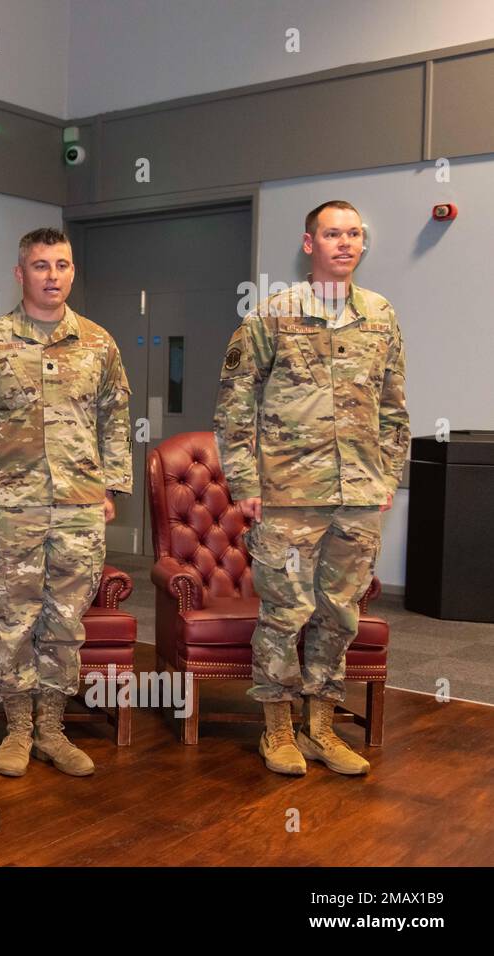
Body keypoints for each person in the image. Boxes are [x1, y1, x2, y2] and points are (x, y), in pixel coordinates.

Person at [214, 199, 408, 776]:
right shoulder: (270, 316)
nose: (344, 243)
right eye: (331, 234)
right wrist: (245, 481)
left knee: (340, 613)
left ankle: (320, 726)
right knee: (285, 611)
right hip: (288, 494)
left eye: (353, 234)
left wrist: (388, 476)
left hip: (359, 494)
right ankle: (277, 729)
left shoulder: (380, 315)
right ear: (309, 245)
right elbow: (234, 404)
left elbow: (395, 406)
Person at [0, 227, 132, 777]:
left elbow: (116, 419)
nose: (53, 275)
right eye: (41, 265)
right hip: (11, 506)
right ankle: (17, 728)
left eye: (63, 265)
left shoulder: (99, 343)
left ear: (73, 272)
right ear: (19, 273)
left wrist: (111, 486)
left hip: (78, 505)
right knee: (14, 619)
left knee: (67, 620)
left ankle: (53, 727)